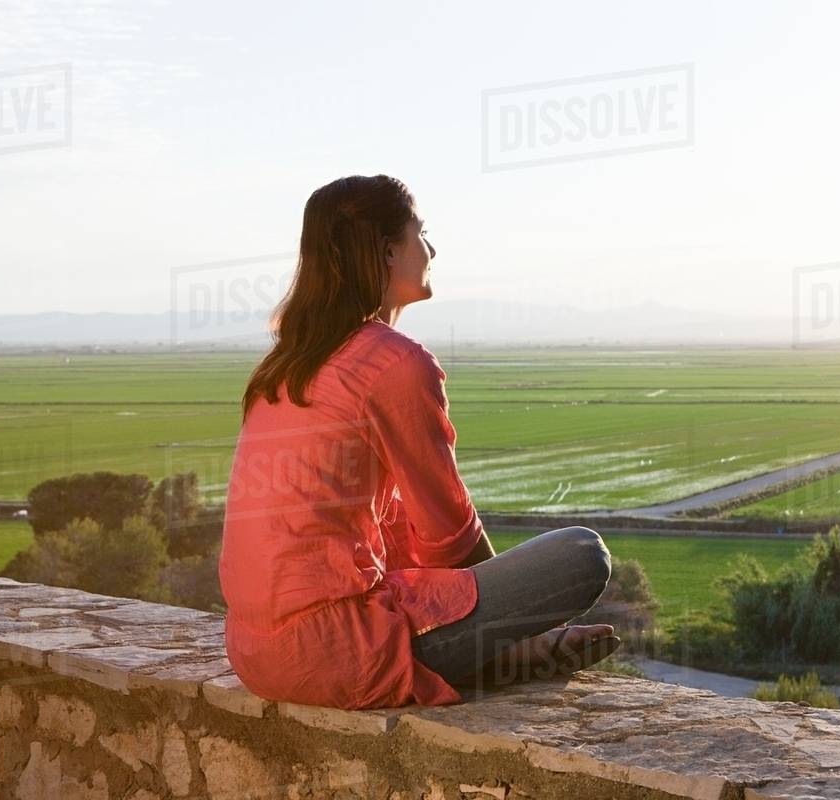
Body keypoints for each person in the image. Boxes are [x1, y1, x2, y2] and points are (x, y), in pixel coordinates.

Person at [217, 174, 620, 710]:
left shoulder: (287, 365)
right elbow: (448, 532)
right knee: (582, 554)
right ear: (387, 252)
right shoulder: (395, 363)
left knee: (401, 532)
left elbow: (391, 530)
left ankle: (496, 656)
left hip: (255, 652)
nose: (431, 249)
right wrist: (511, 615)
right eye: (420, 233)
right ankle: (507, 654)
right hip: (339, 652)